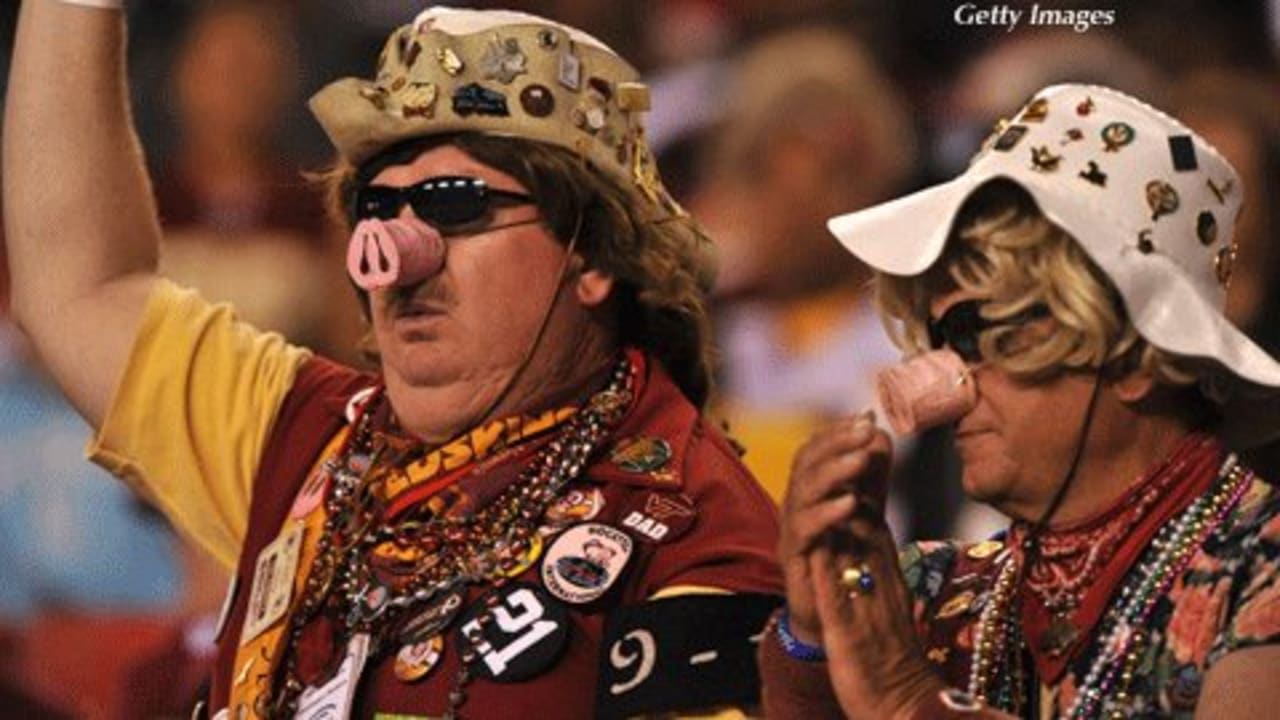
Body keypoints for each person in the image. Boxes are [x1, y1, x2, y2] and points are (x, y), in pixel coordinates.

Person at [3, 3, 783, 719]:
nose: (395, 257)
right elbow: (81, 285)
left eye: (453, 204)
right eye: (376, 206)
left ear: (591, 254)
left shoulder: (699, 530)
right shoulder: (307, 437)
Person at [759, 83, 1280, 718]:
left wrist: (908, 699)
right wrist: (813, 644)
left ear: (1133, 356)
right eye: (932, 336)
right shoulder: (925, 589)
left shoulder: (1261, 571)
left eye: (974, 332)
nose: (943, 378)